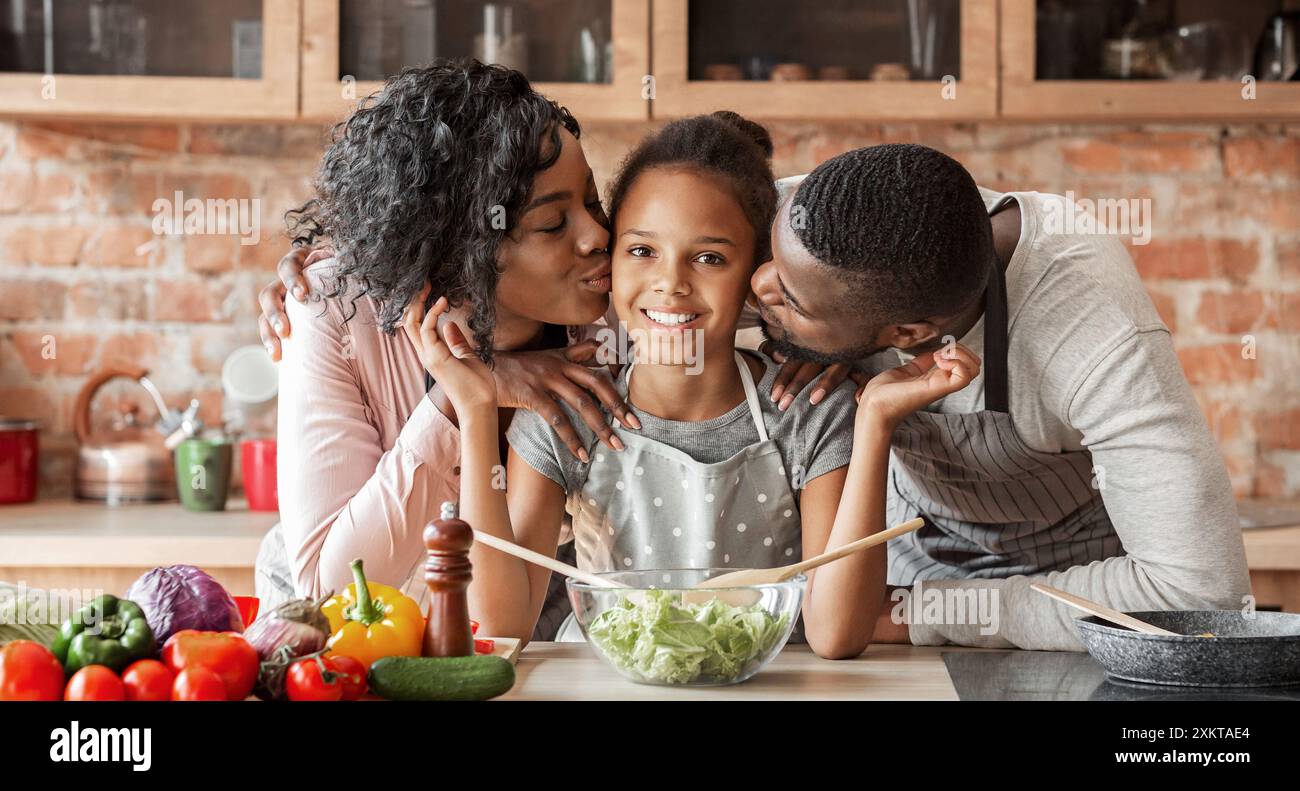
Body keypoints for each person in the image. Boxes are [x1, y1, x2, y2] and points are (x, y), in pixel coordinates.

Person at [406, 112, 981, 658]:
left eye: (708, 257)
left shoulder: (813, 414)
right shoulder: (567, 413)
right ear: (611, 260)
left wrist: (875, 421)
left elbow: (835, 635)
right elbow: (502, 624)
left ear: (758, 275)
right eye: (641, 251)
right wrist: (477, 408)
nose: (670, 283)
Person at [748, 144, 1250, 650]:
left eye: (789, 299)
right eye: (771, 258)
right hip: (901, 566)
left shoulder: (1099, 337)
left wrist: (926, 610)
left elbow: (1201, 594)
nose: (755, 285)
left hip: (1068, 594)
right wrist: (805, 331)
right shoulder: (814, 217)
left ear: (908, 332)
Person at [257, 60, 638, 643]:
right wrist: (463, 399)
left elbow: (754, 249)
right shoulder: (331, 309)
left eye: (592, 202)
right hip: (339, 636)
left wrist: (817, 341)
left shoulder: (618, 302)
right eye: (553, 224)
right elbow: (328, 591)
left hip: (531, 622)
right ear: (457, 250)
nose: (597, 237)